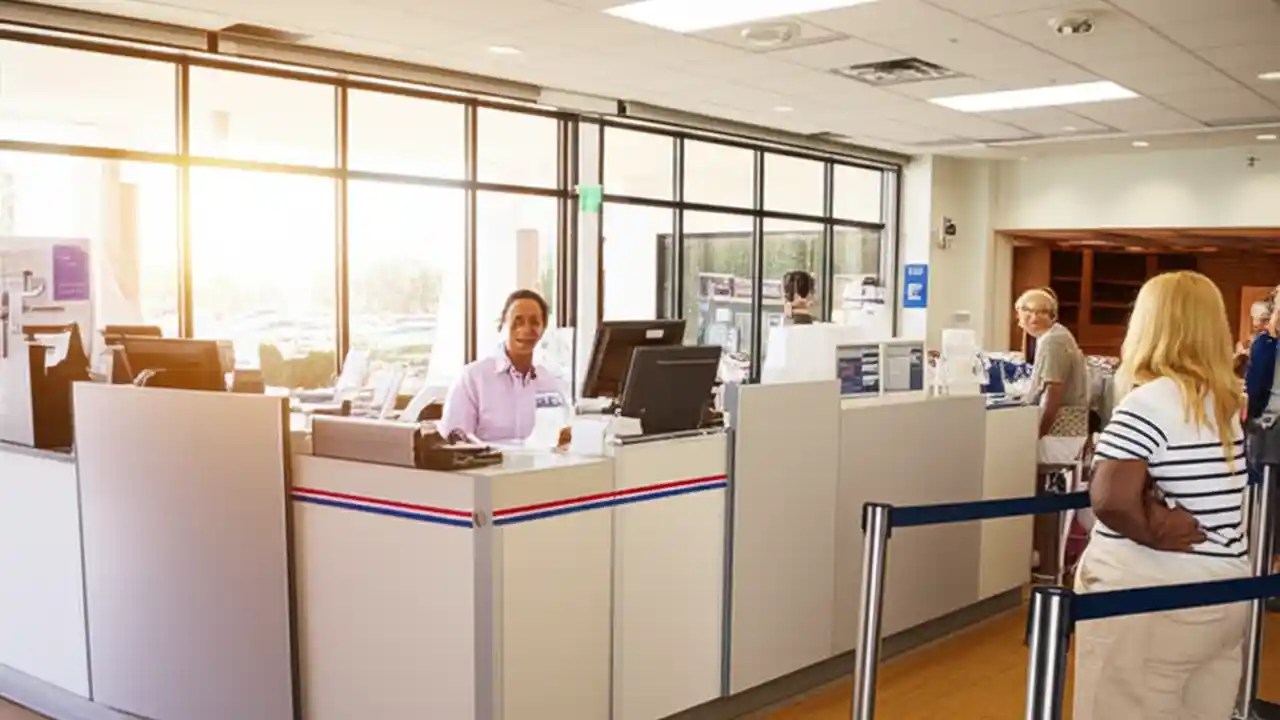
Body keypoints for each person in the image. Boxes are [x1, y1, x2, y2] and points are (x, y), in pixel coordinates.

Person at [1074, 271, 1248, 720]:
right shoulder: (1222, 400)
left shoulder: (1149, 400)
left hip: (1150, 596)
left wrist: (1151, 530)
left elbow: (1109, 499)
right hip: (1225, 591)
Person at [440, 289, 569, 446]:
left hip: (540, 467)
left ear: (543, 328)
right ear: (503, 324)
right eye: (518, 321)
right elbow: (454, 440)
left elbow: (561, 432)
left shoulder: (549, 380)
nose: (526, 329)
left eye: (535, 322)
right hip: (484, 468)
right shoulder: (473, 378)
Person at [1016, 287, 1090, 447]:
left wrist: (1037, 435)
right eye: (1028, 310)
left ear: (1053, 316)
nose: (1034, 317)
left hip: (1060, 431)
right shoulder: (1050, 336)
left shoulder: (1053, 341)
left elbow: (1053, 392)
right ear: (1019, 314)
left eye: (1042, 312)